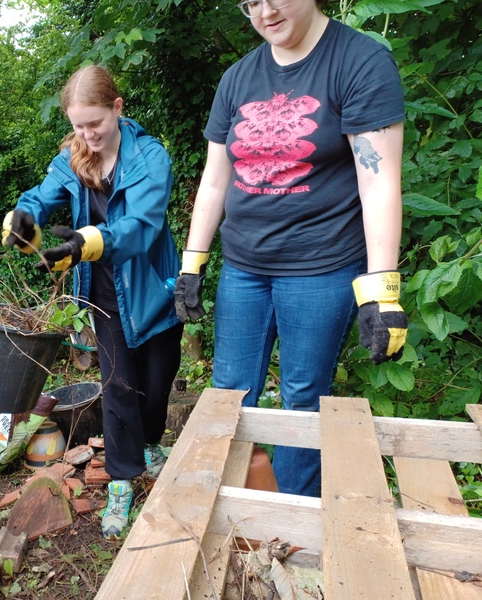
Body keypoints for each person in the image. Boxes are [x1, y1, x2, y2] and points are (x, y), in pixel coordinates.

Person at [174, 0, 408, 497]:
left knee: (303, 399)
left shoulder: (359, 62)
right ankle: (233, 508)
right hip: (243, 268)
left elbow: (379, 182)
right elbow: (214, 182)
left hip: (321, 267)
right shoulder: (237, 78)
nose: (264, 10)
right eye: (249, 3)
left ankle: (297, 524)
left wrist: (383, 291)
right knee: (229, 393)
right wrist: (192, 264)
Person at [2, 65, 183, 539]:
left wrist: (85, 242)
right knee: (119, 383)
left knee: (157, 381)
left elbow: (142, 226)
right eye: (78, 125)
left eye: (95, 123)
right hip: (104, 294)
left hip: (152, 287)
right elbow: (40, 198)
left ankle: (149, 443)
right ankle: (123, 478)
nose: (87, 134)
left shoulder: (150, 158)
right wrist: (23, 219)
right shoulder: (74, 156)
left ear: (117, 109)